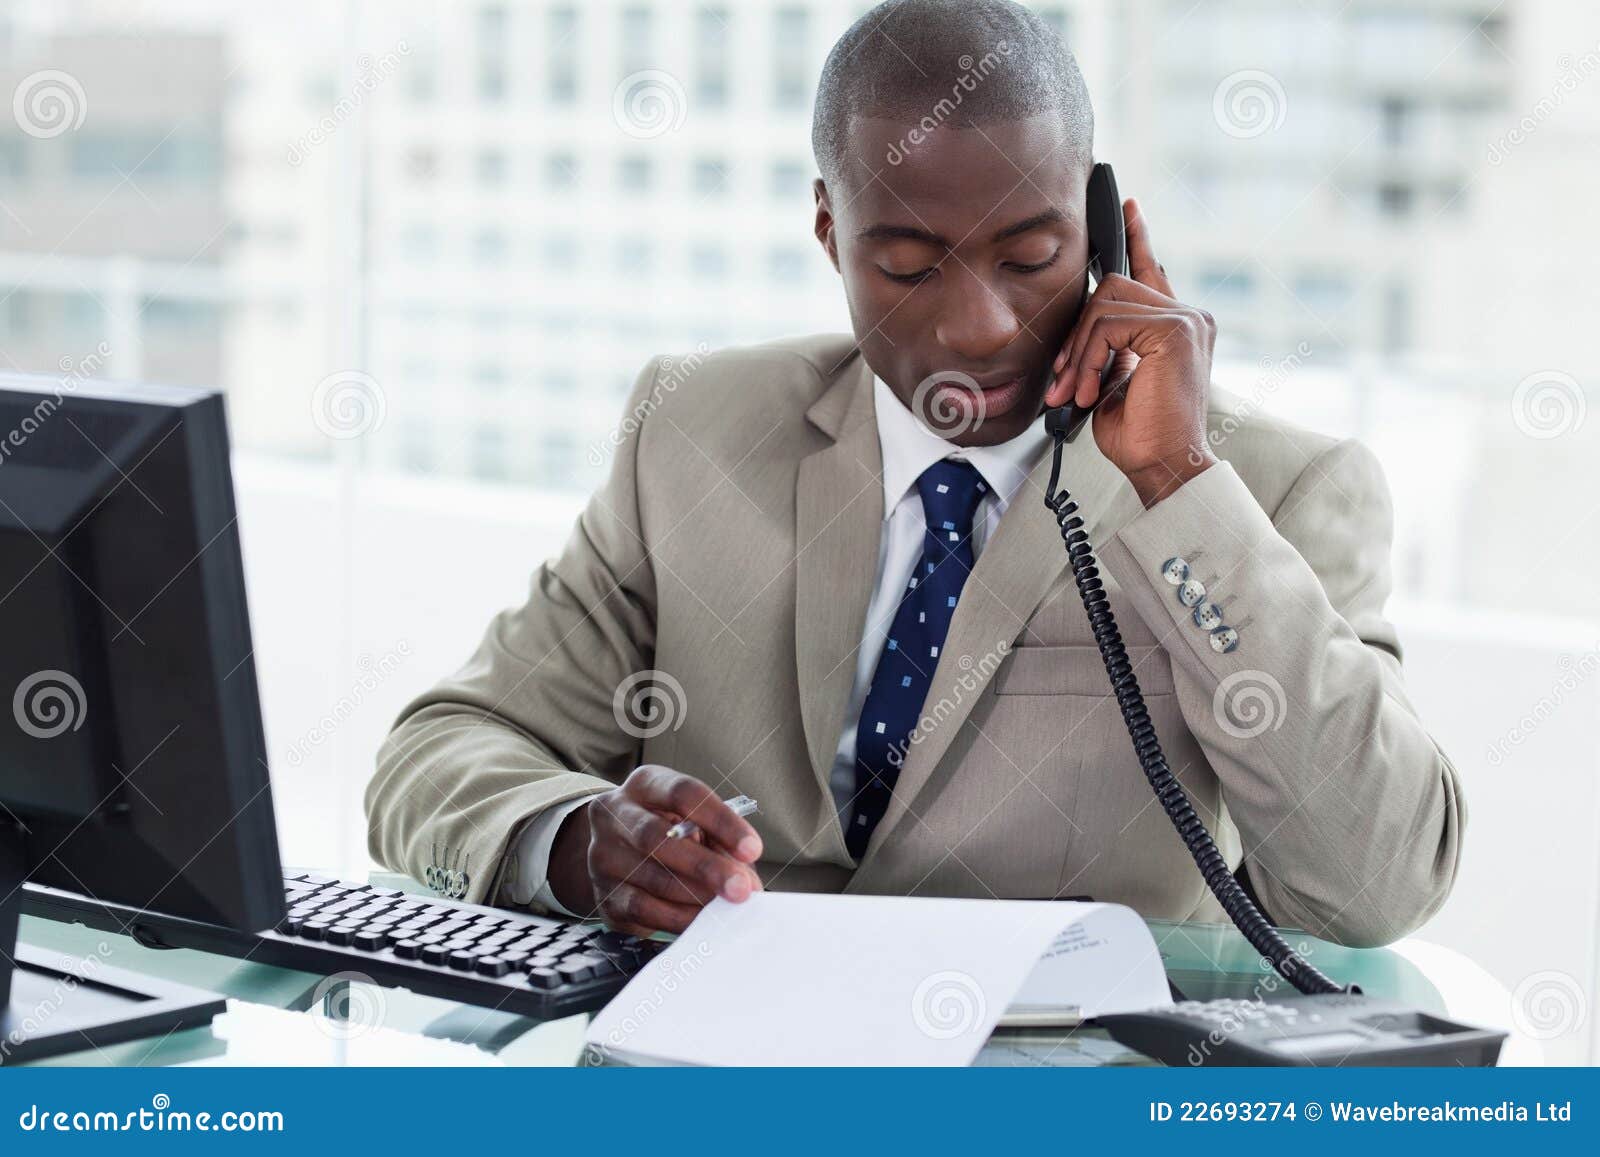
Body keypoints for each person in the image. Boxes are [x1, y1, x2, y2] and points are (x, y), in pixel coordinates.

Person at [365, 0, 1463, 946]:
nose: (976, 327)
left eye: (1030, 257)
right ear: (828, 230)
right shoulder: (690, 429)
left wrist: (1177, 479)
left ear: (1101, 230)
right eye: (904, 263)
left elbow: (1374, 888)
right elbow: (438, 750)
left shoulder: (1265, 489)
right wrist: (573, 841)